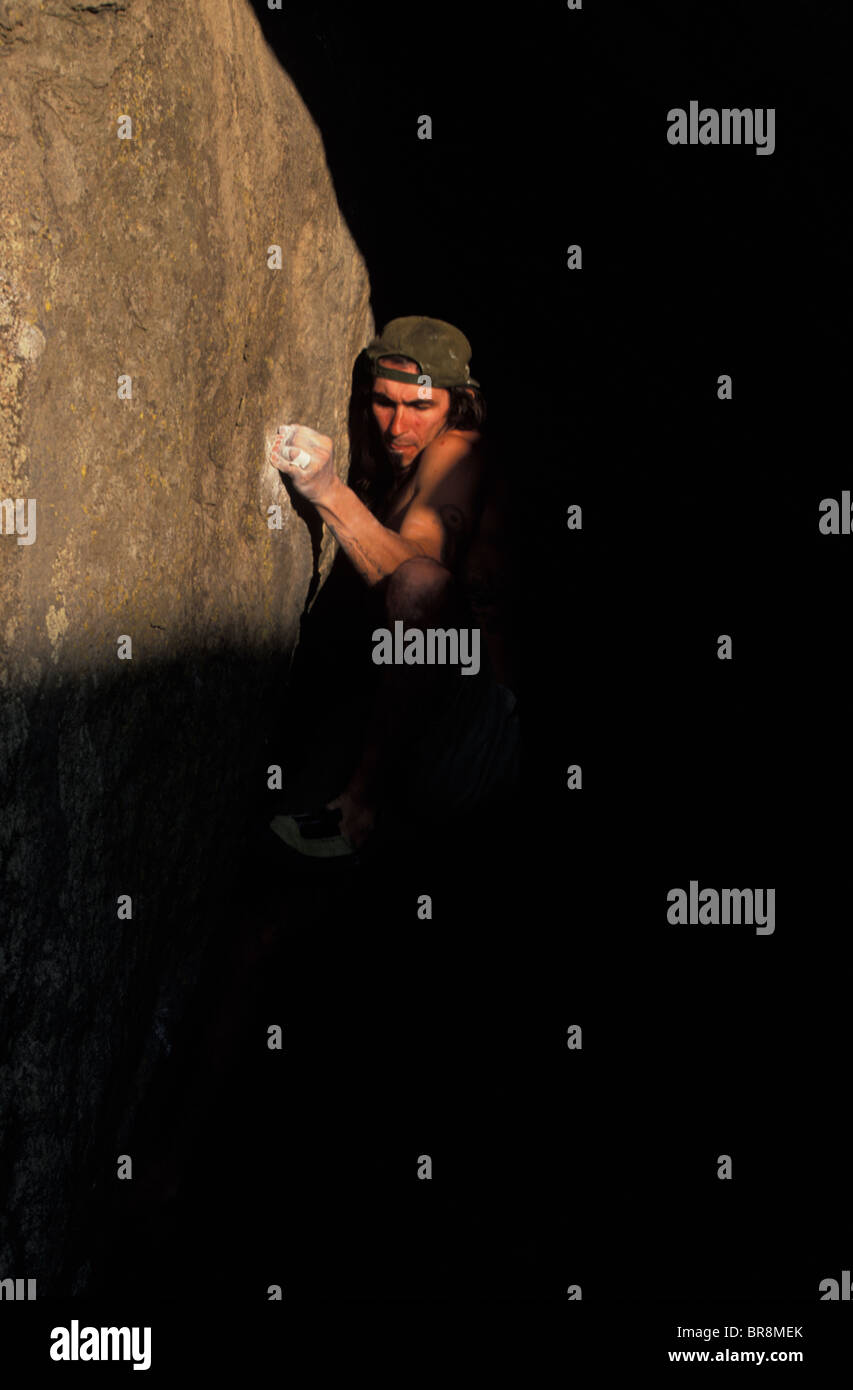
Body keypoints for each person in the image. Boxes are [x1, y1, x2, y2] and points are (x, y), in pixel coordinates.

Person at [268, 316, 519, 857]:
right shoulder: (393, 466)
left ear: (457, 402)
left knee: (420, 585)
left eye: (421, 406)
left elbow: (420, 575)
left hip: (475, 736)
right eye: (386, 402)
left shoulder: (459, 451)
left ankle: (361, 807)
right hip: (413, 728)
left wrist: (326, 490)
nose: (397, 426)